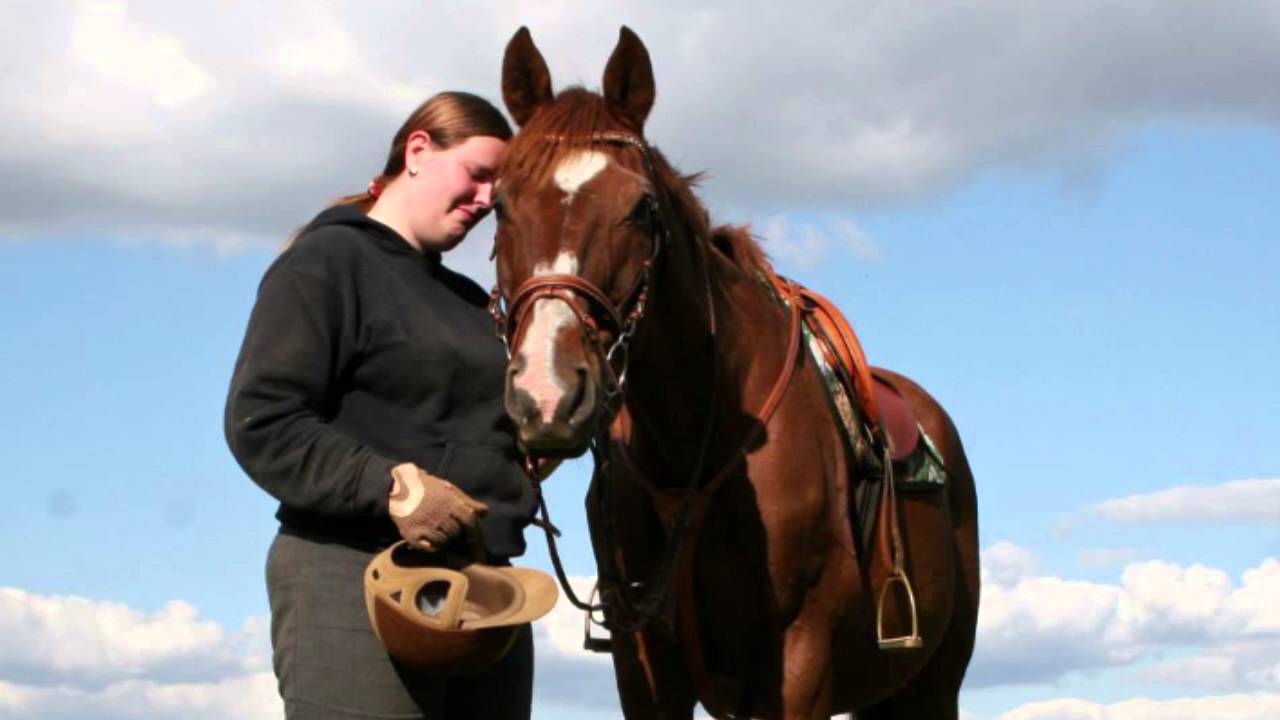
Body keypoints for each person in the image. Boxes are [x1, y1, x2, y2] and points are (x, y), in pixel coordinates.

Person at [225, 91, 542, 719]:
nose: (485, 202)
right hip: (353, 575)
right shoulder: (328, 261)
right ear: (418, 150)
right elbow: (264, 420)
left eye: (496, 193)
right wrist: (393, 486)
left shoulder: (471, 303)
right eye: (477, 175)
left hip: (484, 590)